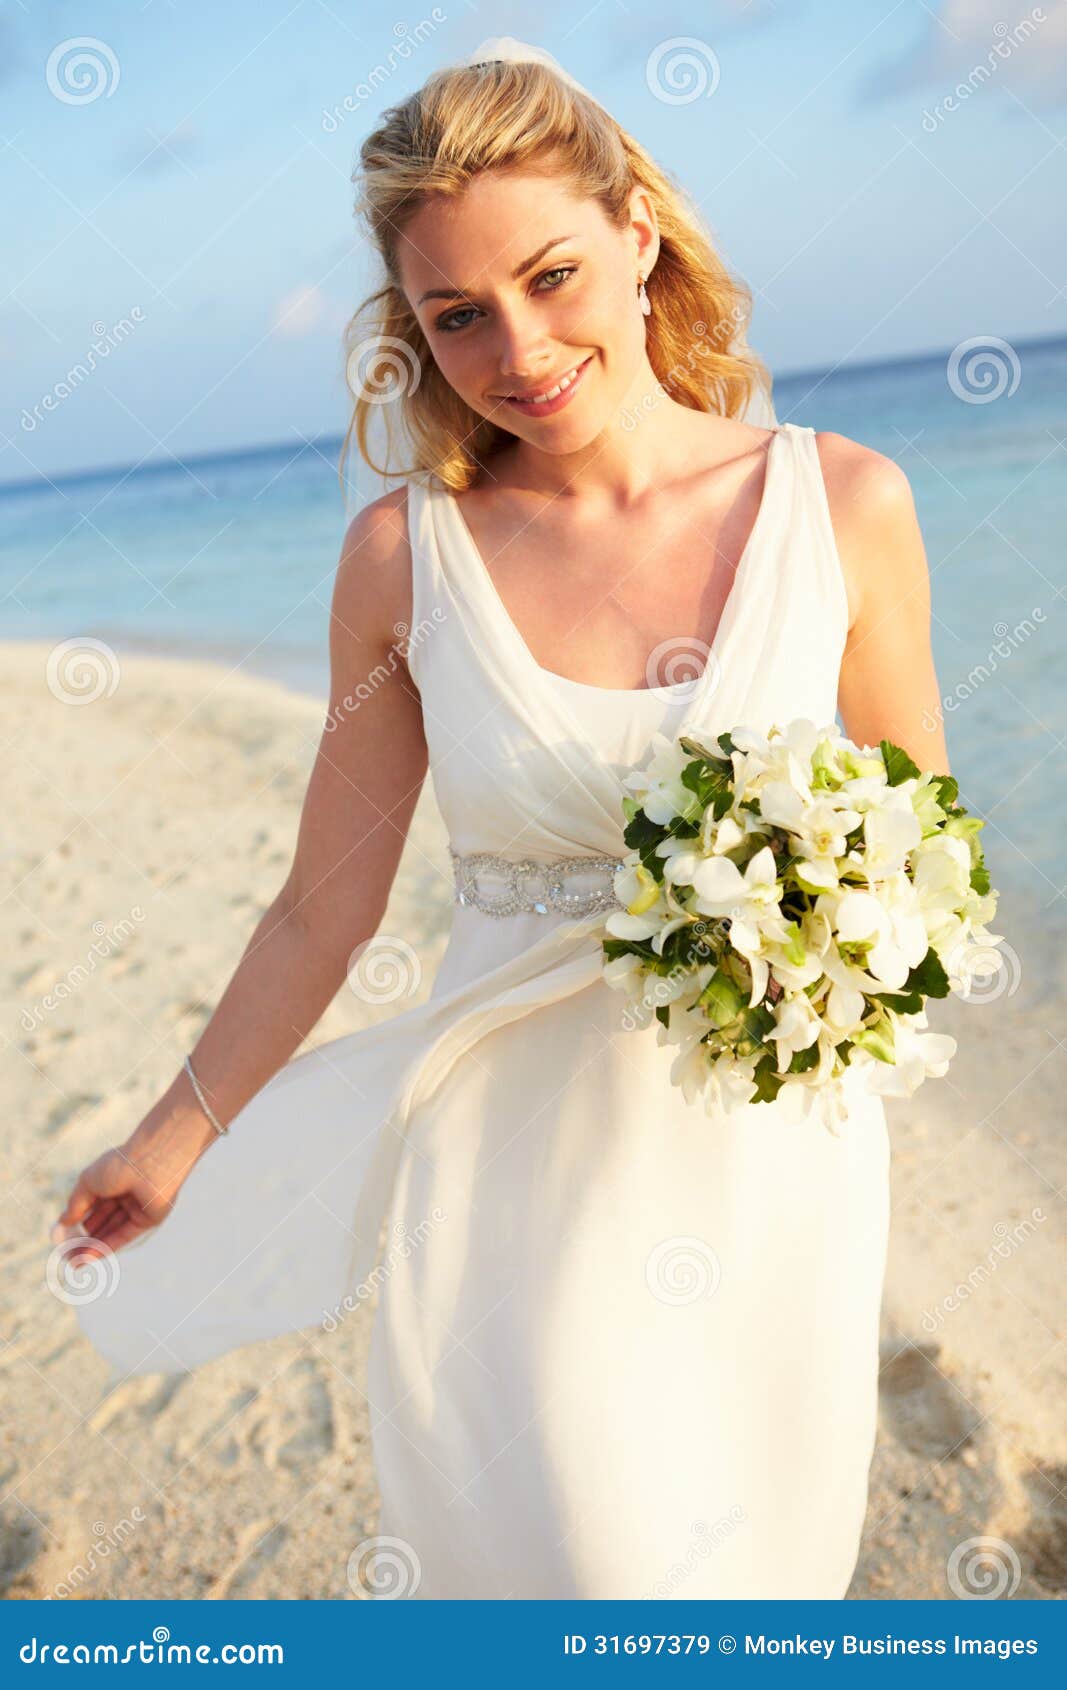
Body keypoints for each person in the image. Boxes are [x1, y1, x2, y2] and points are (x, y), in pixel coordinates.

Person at [51, 41, 949, 1600]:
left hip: (768, 1176)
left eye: (549, 276)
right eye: (456, 314)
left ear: (639, 234)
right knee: (584, 1579)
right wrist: (173, 1132)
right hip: (505, 1197)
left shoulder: (845, 506)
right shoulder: (404, 563)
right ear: (414, 331)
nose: (517, 347)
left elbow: (928, 863)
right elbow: (322, 907)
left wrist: (816, 938)